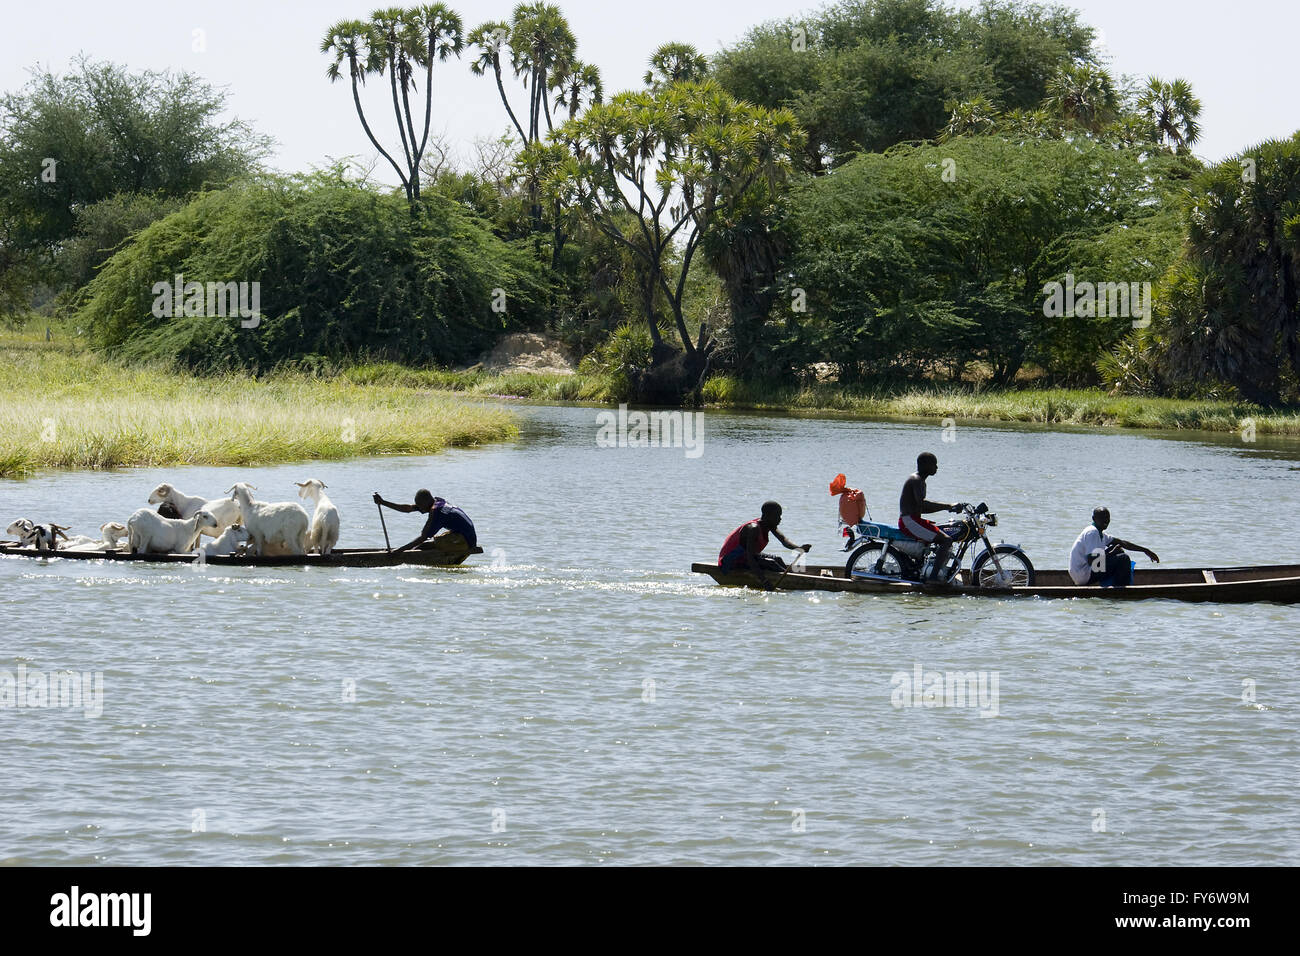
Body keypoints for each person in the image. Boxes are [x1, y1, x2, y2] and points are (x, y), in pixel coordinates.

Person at [899, 452, 967, 582]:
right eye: (934, 464)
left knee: (941, 532)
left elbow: (921, 508)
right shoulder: (916, 480)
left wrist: (948, 508)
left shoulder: (921, 481)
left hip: (913, 520)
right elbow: (922, 504)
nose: (936, 467)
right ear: (924, 465)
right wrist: (948, 505)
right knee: (946, 540)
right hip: (909, 521)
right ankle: (933, 578)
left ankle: (925, 569)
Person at [717, 501, 811, 590]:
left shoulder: (769, 524)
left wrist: (799, 548)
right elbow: (751, 559)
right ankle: (793, 580)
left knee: (778, 559)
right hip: (730, 561)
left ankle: (792, 577)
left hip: (746, 556)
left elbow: (784, 541)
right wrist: (764, 581)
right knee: (771, 563)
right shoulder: (753, 529)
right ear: (768, 516)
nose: (780, 519)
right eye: (777, 516)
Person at [1068, 507, 1159, 587]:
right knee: (1123, 558)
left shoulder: (1101, 534)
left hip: (1084, 574)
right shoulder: (1092, 532)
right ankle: (1121, 591)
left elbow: (1123, 543)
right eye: (1102, 518)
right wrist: (1111, 553)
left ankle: (1116, 586)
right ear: (1094, 519)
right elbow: (1092, 561)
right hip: (1083, 575)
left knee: (1119, 552)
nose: (1106, 520)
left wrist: (1146, 550)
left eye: (1107, 517)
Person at [372, 489, 477, 553]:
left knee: (423, 546)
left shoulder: (436, 511)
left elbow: (423, 537)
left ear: (426, 501)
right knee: (423, 546)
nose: (421, 509)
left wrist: (400, 550)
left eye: (421, 506)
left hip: (465, 541)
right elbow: (408, 508)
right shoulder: (437, 501)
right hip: (461, 535)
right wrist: (383, 502)